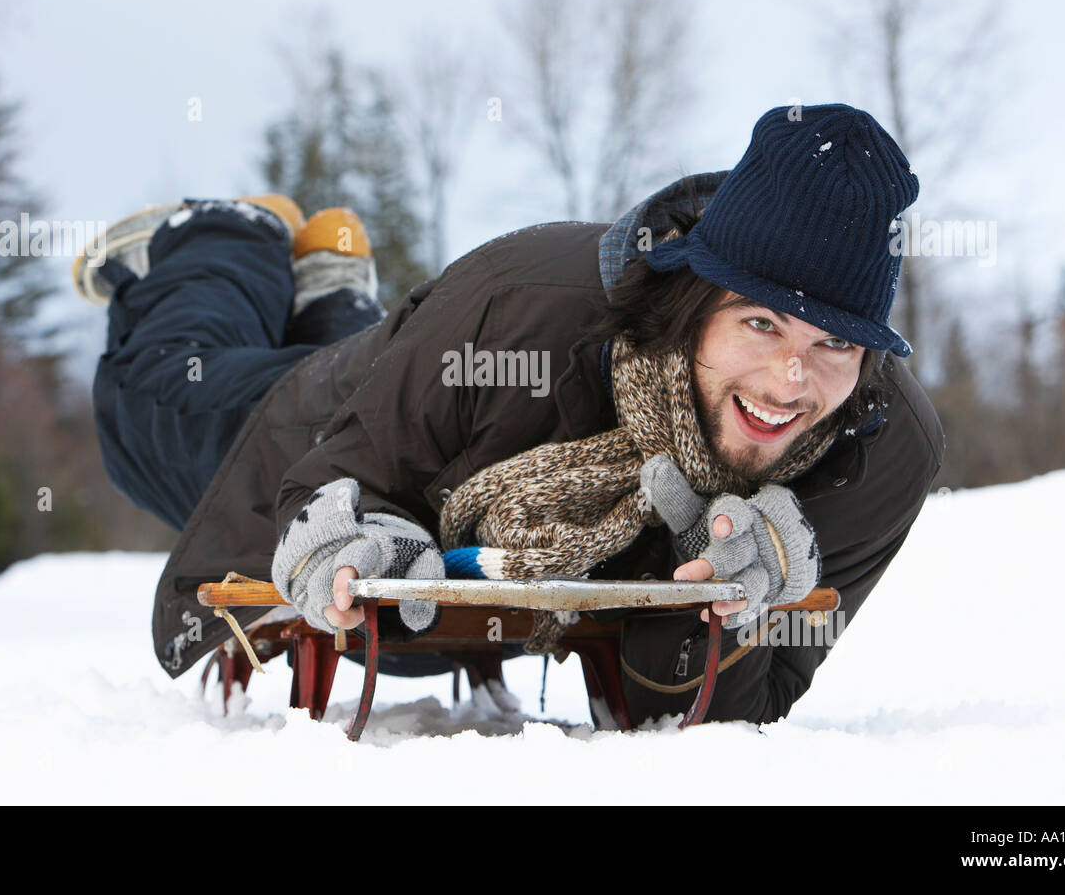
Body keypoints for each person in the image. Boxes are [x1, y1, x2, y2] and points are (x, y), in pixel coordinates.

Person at [83, 102, 944, 727]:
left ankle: (328, 289)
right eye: (761, 322)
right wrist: (351, 534)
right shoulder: (521, 303)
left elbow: (721, 728)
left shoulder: (877, 458)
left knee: (423, 568)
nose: (790, 379)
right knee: (156, 399)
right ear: (694, 303)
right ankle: (225, 235)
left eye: (836, 344)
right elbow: (345, 474)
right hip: (341, 412)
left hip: (430, 400)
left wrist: (727, 603)